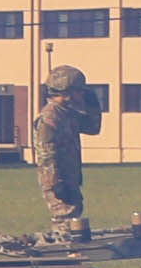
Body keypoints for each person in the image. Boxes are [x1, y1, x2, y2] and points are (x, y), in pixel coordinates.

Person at [25, 65, 94, 244]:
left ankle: (69, 260)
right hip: (58, 180)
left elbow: (93, 127)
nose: (82, 96)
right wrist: (55, 183)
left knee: (72, 223)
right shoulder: (50, 117)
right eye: (80, 91)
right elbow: (46, 154)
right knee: (66, 226)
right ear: (68, 91)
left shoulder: (66, 113)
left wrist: (93, 104)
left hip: (69, 178)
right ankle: (65, 262)